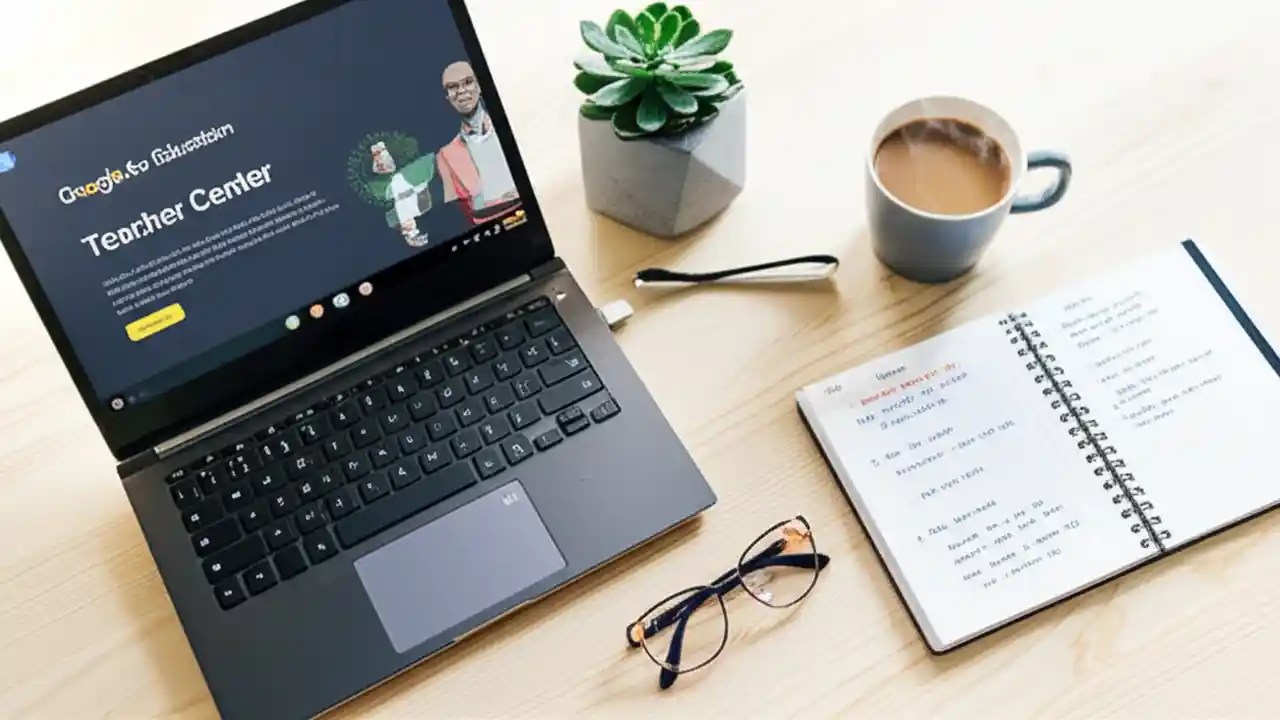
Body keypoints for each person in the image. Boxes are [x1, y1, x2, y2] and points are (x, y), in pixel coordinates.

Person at [436, 61, 521, 225]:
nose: (461, 91)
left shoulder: (508, 125)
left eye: (468, 82)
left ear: (479, 86)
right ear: (448, 97)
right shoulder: (445, 155)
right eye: (452, 87)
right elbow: (456, 213)